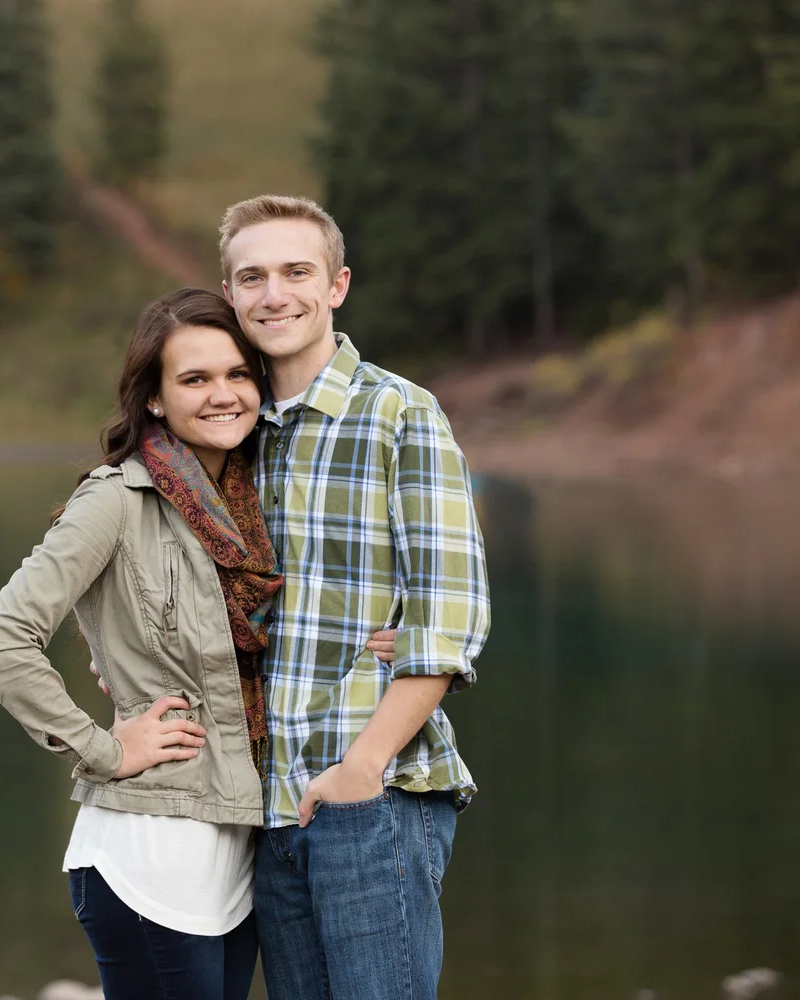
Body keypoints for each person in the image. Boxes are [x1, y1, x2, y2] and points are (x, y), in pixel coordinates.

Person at [0, 288, 278, 1000]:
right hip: (150, 854)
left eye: (237, 374)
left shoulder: (253, 507)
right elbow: (1, 640)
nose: (223, 394)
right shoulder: (115, 499)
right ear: (157, 400)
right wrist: (104, 750)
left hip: (236, 847)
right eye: (194, 379)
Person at [218, 194, 491, 1000]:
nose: (274, 294)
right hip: (269, 810)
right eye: (252, 277)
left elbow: (448, 614)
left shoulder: (397, 411)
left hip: (370, 792)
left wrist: (363, 767)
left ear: (336, 285)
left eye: (296, 272)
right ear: (230, 294)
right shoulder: (235, 430)